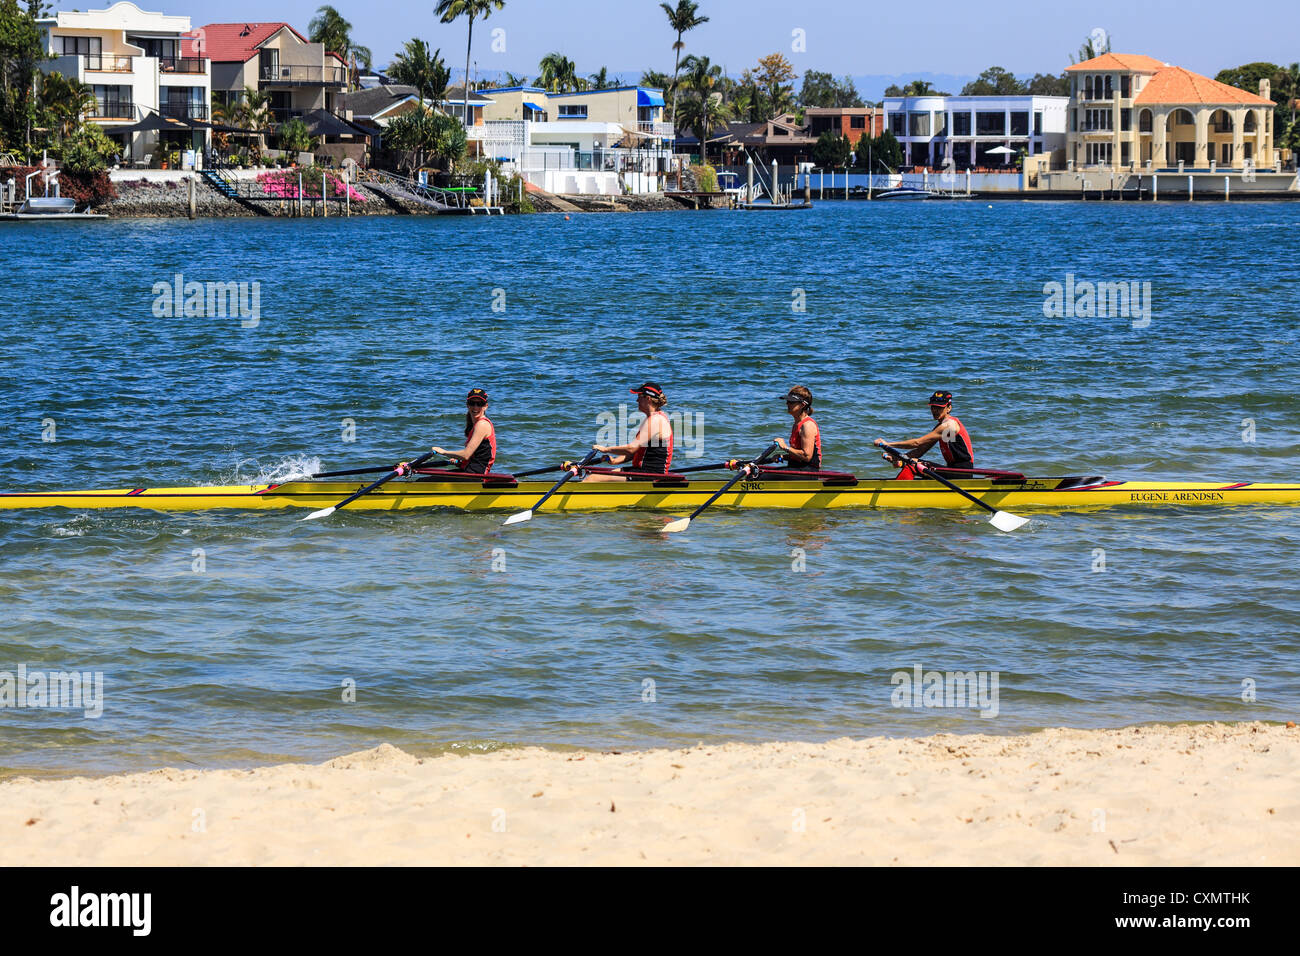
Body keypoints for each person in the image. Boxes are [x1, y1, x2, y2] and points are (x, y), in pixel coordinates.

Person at [588, 382, 674, 481]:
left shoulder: (656, 420)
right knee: (596, 476)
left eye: (639, 396)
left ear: (648, 399)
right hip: (643, 471)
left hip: (651, 475)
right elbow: (635, 452)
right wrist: (615, 461)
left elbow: (631, 448)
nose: (637, 400)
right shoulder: (654, 418)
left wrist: (605, 449)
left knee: (593, 478)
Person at [875, 390, 974, 474]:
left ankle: (897, 492)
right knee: (909, 462)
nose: (935, 410)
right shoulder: (942, 427)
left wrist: (888, 444)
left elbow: (917, 443)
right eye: (933, 407)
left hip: (962, 471)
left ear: (949, 408)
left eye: (939, 408)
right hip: (952, 469)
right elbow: (920, 450)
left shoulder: (949, 425)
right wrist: (899, 458)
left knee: (913, 463)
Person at [432, 388, 497, 474]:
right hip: (470, 471)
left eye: (480, 404)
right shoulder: (475, 424)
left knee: (423, 482)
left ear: (486, 406)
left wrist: (443, 452)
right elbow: (474, 456)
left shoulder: (482, 424)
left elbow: (466, 455)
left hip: (476, 475)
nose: (475, 407)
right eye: (472, 403)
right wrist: (460, 462)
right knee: (429, 479)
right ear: (467, 405)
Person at [773, 386, 822, 470]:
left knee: (759, 476)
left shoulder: (807, 425)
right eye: (788, 401)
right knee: (756, 473)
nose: (787, 403)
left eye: (791, 402)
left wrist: (785, 447)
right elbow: (798, 456)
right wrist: (782, 457)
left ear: (802, 405)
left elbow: (806, 456)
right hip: (797, 468)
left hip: (808, 472)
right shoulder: (797, 424)